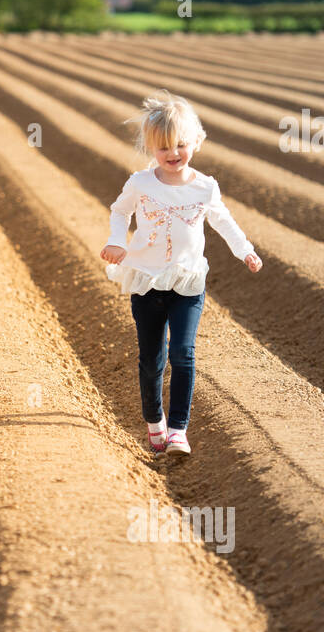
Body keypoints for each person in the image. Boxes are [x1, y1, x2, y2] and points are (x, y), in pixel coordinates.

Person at [100, 90, 262, 458]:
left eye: (180, 145)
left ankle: (178, 431)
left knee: (183, 353)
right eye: (163, 148)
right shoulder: (141, 183)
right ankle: (154, 422)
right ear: (151, 149)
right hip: (147, 279)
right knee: (151, 357)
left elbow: (224, 221)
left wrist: (246, 250)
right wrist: (116, 241)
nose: (173, 154)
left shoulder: (205, 187)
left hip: (187, 282)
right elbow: (119, 211)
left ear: (197, 142)